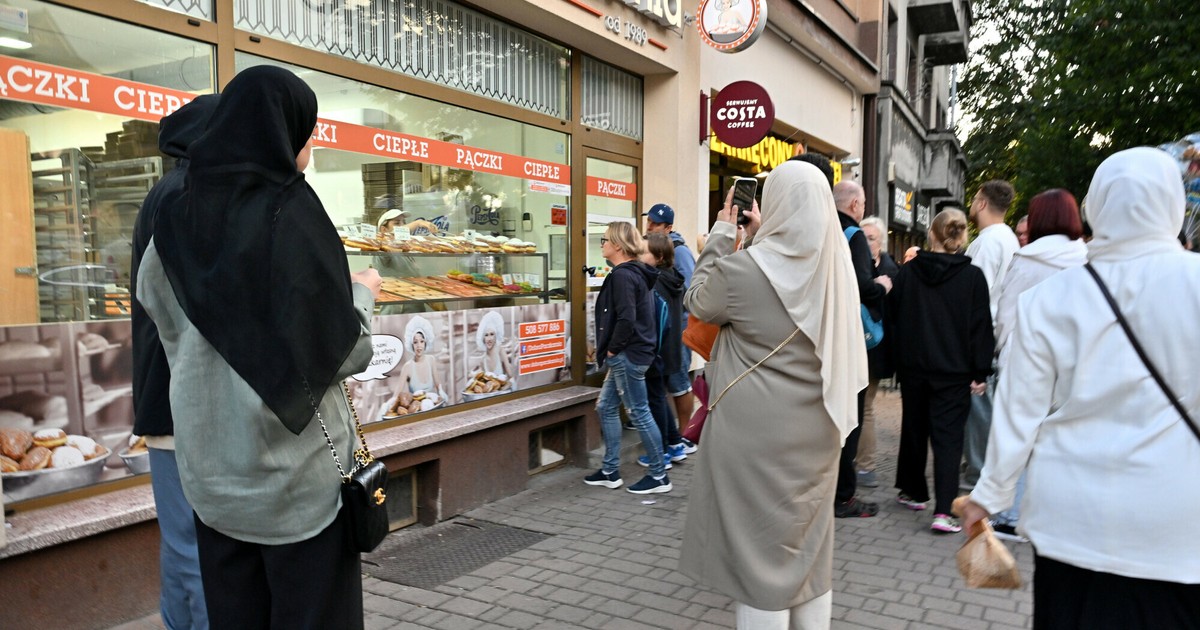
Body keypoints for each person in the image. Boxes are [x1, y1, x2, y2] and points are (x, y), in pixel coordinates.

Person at [138, 65, 379, 628]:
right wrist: (363, 297)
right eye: (306, 131)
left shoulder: (174, 215)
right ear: (280, 131)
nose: (310, 146)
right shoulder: (292, 215)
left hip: (212, 477)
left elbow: (163, 319)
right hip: (296, 484)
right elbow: (345, 354)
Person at [961, 147, 1200, 629]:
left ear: (1095, 206)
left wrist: (987, 497)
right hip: (1179, 526)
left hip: (1072, 522)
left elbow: (1018, 414)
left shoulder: (1049, 299)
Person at [680, 160, 867, 629]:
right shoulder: (836, 269)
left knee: (759, 564)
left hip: (753, 437)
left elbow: (698, 299)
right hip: (820, 429)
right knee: (808, 552)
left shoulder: (743, 270)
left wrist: (724, 232)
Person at [130, 94, 218, 630]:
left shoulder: (165, 192)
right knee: (197, 545)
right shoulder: (189, 196)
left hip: (165, 398)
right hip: (185, 401)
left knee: (180, 541)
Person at [987, 188, 1087, 543]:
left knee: (1017, 436)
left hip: (1026, 359)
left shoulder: (1027, 259)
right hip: (1075, 367)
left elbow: (1006, 315)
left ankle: (1012, 515)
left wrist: (999, 352)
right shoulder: (1088, 258)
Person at [887, 208, 993, 533]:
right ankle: (943, 512)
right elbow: (981, 328)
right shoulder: (973, 277)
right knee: (948, 439)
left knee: (915, 428)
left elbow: (894, 316)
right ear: (961, 238)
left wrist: (897, 358)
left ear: (931, 234)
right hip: (954, 371)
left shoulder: (909, 272)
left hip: (915, 368)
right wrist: (980, 371)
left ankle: (914, 491)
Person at [585, 221, 672, 494]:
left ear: (618, 246)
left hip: (627, 354)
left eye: (605, 240)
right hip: (633, 353)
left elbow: (626, 318)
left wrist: (612, 349)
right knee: (606, 407)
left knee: (639, 412)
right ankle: (610, 470)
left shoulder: (624, 275)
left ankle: (659, 475)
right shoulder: (635, 272)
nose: (602, 244)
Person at [831, 179, 889, 518]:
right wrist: (881, 285)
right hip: (850, 340)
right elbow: (862, 287)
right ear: (854, 205)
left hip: (820, 337)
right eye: (863, 202)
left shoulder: (820, 229)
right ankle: (844, 496)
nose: (864, 207)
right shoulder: (854, 237)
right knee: (851, 418)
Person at [962, 179, 1018, 489]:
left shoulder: (985, 243)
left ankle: (977, 475)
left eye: (974, 199)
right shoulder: (1010, 239)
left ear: (983, 203)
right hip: (998, 336)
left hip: (982, 338)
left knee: (980, 411)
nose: (971, 205)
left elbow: (974, 295)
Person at [643, 202, 697, 446]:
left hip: (678, 324)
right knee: (664, 381)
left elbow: (689, 290)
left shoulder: (680, 251)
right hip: (665, 325)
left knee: (678, 381)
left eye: (655, 223)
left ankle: (685, 435)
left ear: (668, 227)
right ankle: (673, 437)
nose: (650, 225)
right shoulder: (652, 247)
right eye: (649, 221)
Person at [636, 232, 688, 469]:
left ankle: (661, 452)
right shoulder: (672, 277)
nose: (638, 255)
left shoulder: (654, 281)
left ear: (657, 257)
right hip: (670, 349)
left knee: (654, 400)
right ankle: (675, 444)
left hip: (656, 351)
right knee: (659, 398)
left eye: (643, 251)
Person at [855, 216, 899, 489]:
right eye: (863, 237)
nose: (866, 242)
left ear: (881, 242)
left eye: (870, 238)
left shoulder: (890, 271)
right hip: (857, 344)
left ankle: (866, 466)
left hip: (874, 349)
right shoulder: (861, 266)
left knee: (867, 406)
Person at [399, 315, 444, 397]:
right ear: (411, 344)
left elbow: (438, 385)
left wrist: (441, 392)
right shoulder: (407, 367)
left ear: (426, 342)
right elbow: (397, 395)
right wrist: (388, 404)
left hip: (432, 406)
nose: (419, 346)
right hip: (416, 408)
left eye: (422, 341)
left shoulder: (431, 360)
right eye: (415, 342)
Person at [470, 310, 514, 385]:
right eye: (486, 335)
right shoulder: (483, 360)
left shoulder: (500, 351)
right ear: (483, 339)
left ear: (496, 336)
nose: (489, 339)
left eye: (492, 334)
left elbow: (510, 375)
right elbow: (484, 382)